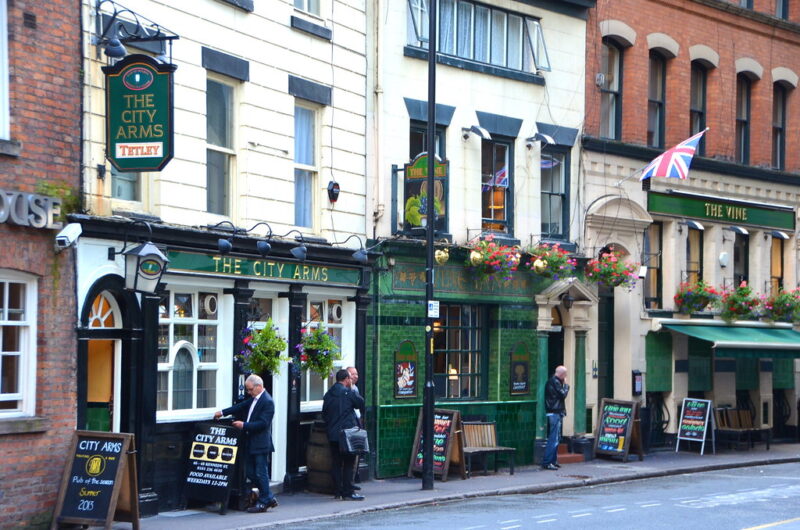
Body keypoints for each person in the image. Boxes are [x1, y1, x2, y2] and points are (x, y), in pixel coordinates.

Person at [214, 374, 278, 513]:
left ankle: (264, 502)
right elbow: (241, 406)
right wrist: (223, 412)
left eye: (250, 389)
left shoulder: (267, 401)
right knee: (250, 472)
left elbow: (263, 423)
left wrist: (244, 425)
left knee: (261, 473)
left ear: (259, 387)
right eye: (248, 390)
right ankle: (268, 496)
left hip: (261, 443)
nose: (248, 392)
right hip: (251, 441)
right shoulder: (254, 399)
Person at [322, 369, 365, 501]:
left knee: (336, 462)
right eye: (350, 379)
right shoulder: (348, 393)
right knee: (348, 463)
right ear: (347, 379)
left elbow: (325, 414)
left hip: (332, 433)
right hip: (346, 434)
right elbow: (360, 403)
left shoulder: (329, 394)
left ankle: (337, 491)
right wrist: (352, 388)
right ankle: (348, 492)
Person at [542, 365, 569, 471]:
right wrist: (566, 386)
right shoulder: (555, 382)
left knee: (556, 438)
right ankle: (548, 462)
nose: (566, 376)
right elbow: (563, 395)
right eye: (565, 374)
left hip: (554, 412)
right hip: (555, 413)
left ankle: (553, 461)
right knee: (553, 438)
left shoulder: (552, 381)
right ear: (561, 374)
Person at [346, 366, 364, 489]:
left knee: (358, 450)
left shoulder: (355, 388)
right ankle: (349, 482)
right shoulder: (347, 390)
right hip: (349, 423)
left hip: (357, 421)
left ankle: (353, 478)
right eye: (352, 374)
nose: (355, 376)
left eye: (356, 374)